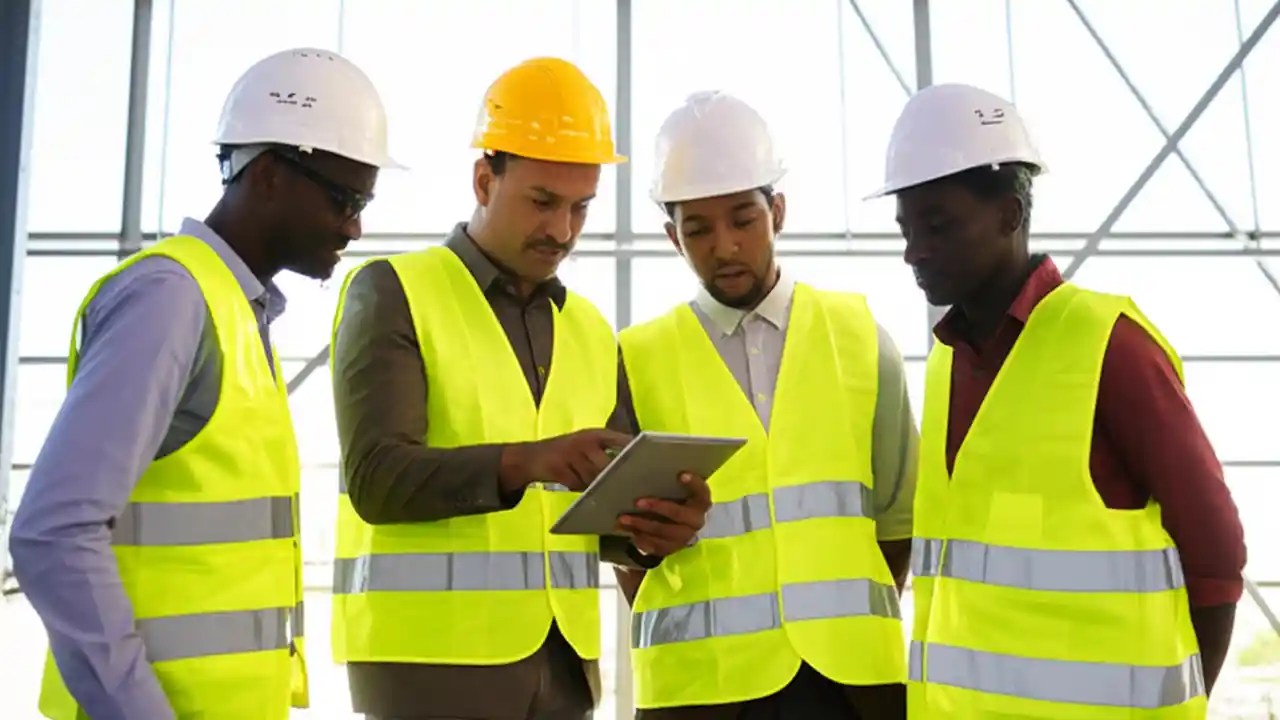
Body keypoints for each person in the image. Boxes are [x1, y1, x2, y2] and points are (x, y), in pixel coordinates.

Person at [7, 47, 400, 720]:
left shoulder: (233, 311)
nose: (355, 225)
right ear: (271, 174)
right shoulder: (170, 299)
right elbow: (53, 533)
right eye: (345, 198)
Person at [328, 56, 712, 720]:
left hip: (562, 669)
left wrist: (655, 528)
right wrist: (528, 460)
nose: (562, 231)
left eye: (580, 208)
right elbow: (377, 476)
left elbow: (608, 516)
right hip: (428, 669)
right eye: (542, 202)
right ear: (484, 179)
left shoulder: (591, 330)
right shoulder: (395, 291)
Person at [869, 83, 1247, 718]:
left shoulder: (1110, 345)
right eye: (906, 228)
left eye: (938, 225)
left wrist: (1184, 699)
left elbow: (1216, 555)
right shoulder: (945, 362)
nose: (914, 251)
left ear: (1009, 215)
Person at [615, 90, 917, 720]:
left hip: (853, 686)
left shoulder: (860, 337)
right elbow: (626, 547)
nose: (724, 246)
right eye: (698, 229)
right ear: (674, 237)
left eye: (742, 219)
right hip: (701, 692)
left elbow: (897, 520)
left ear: (776, 210)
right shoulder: (635, 359)